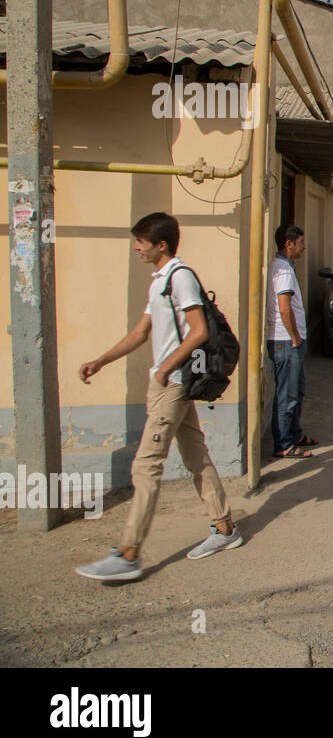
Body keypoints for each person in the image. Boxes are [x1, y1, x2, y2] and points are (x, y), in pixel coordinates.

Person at [75, 212, 241, 582]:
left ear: (160, 245)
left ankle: (129, 552)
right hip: (166, 380)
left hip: (175, 383)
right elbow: (140, 332)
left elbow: (198, 332)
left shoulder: (180, 278)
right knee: (196, 455)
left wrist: (166, 368)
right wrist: (101, 360)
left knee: (146, 464)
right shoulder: (160, 282)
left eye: (141, 242)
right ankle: (226, 528)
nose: (136, 248)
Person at [267, 223, 315, 458]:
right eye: (301, 242)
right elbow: (284, 309)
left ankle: (294, 434)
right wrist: (295, 337)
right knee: (287, 394)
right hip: (285, 341)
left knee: (297, 389)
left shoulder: (283, 266)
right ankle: (284, 444)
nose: (303, 247)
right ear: (289, 243)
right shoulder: (283, 270)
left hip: (288, 341)